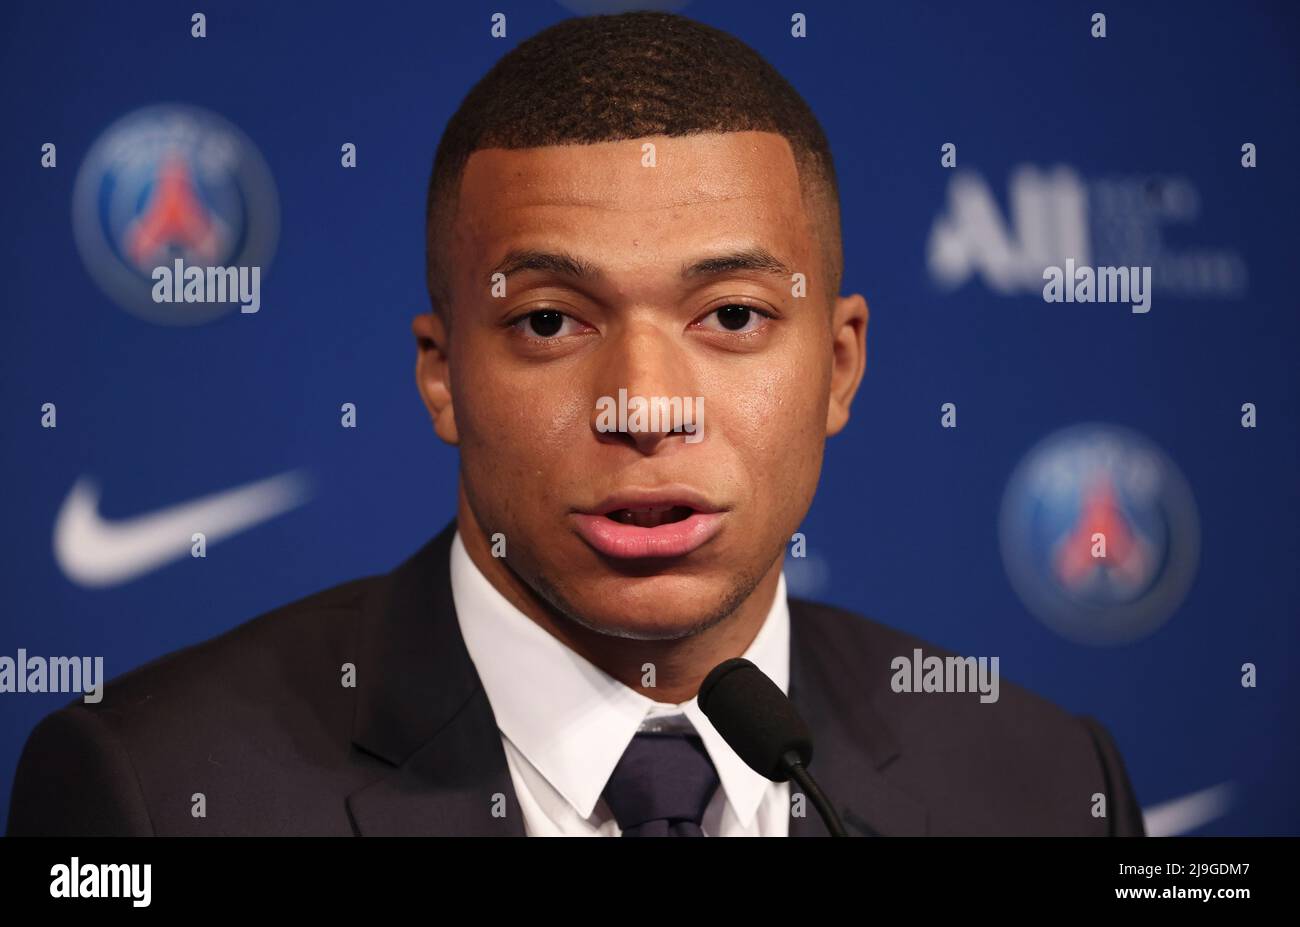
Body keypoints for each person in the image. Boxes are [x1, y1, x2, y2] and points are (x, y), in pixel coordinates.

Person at [7, 10, 1143, 837]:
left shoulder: (1046, 783)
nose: (644, 405)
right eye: (551, 321)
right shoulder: (152, 797)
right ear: (442, 374)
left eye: (733, 315)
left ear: (839, 365)